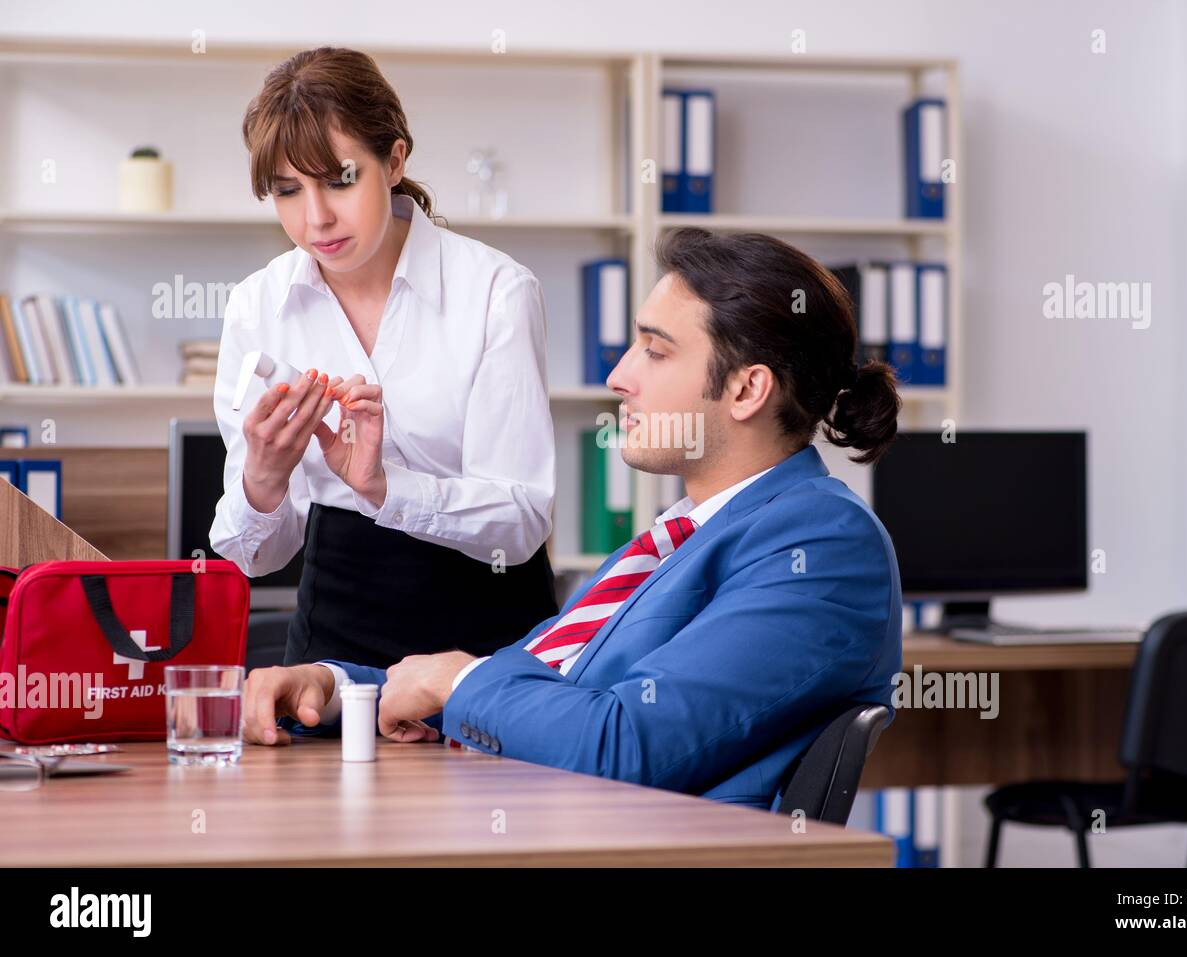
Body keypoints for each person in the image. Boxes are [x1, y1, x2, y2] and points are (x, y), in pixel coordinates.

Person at [243, 227, 904, 812]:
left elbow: (621, 741)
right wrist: (335, 688)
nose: (619, 376)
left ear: (747, 389)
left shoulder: (822, 544)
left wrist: (454, 680)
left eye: (656, 350)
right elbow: (527, 685)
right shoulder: (677, 537)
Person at [209, 47, 558, 671]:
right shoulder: (255, 307)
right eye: (288, 191)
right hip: (336, 639)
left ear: (394, 161)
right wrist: (261, 481)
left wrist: (384, 486)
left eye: (341, 179)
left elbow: (523, 523)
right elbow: (252, 559)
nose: (316, 218)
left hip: (487, 643)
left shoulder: (495, 292)